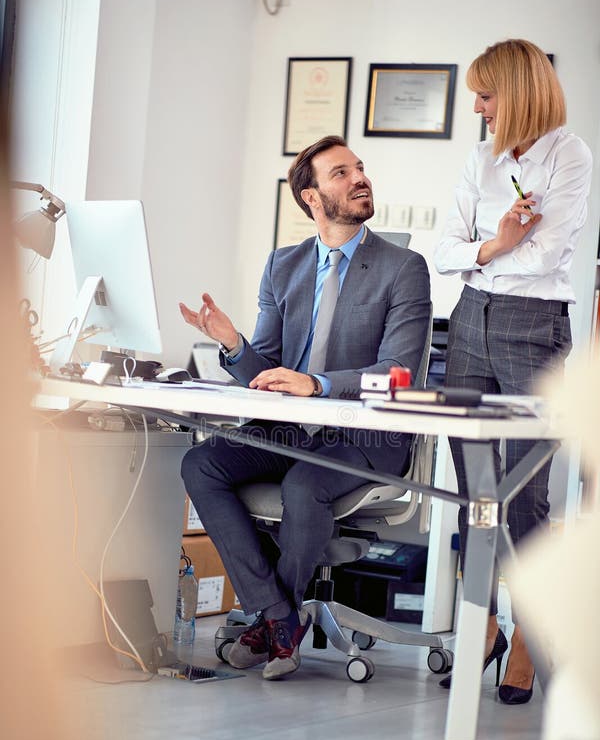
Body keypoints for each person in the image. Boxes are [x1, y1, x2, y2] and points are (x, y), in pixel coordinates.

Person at [180, 134, 431, 680]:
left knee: (302, 487)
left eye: (359, 168)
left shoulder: (403, 267)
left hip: (367, 438)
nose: (359, 178)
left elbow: (399, 373)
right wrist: (233, 345)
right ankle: (279, 616)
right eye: (341, 173)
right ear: (313, 198)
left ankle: (272, 622)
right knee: (200, 463)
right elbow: (266, 376)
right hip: (293, 431)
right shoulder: (283, 265)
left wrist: (316, 384)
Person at [434, 39, 593, 704]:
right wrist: (497, 244)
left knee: (525, 498)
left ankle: (531, 635)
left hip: (534, 329)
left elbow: (550, 254)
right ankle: (485, 629)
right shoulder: (480, 157)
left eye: (487, 94)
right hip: (470, 321)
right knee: (475, 491)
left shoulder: (570, 155)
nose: (477, 107)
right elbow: (445, 253)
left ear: (521, 93)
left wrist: (486, 253)